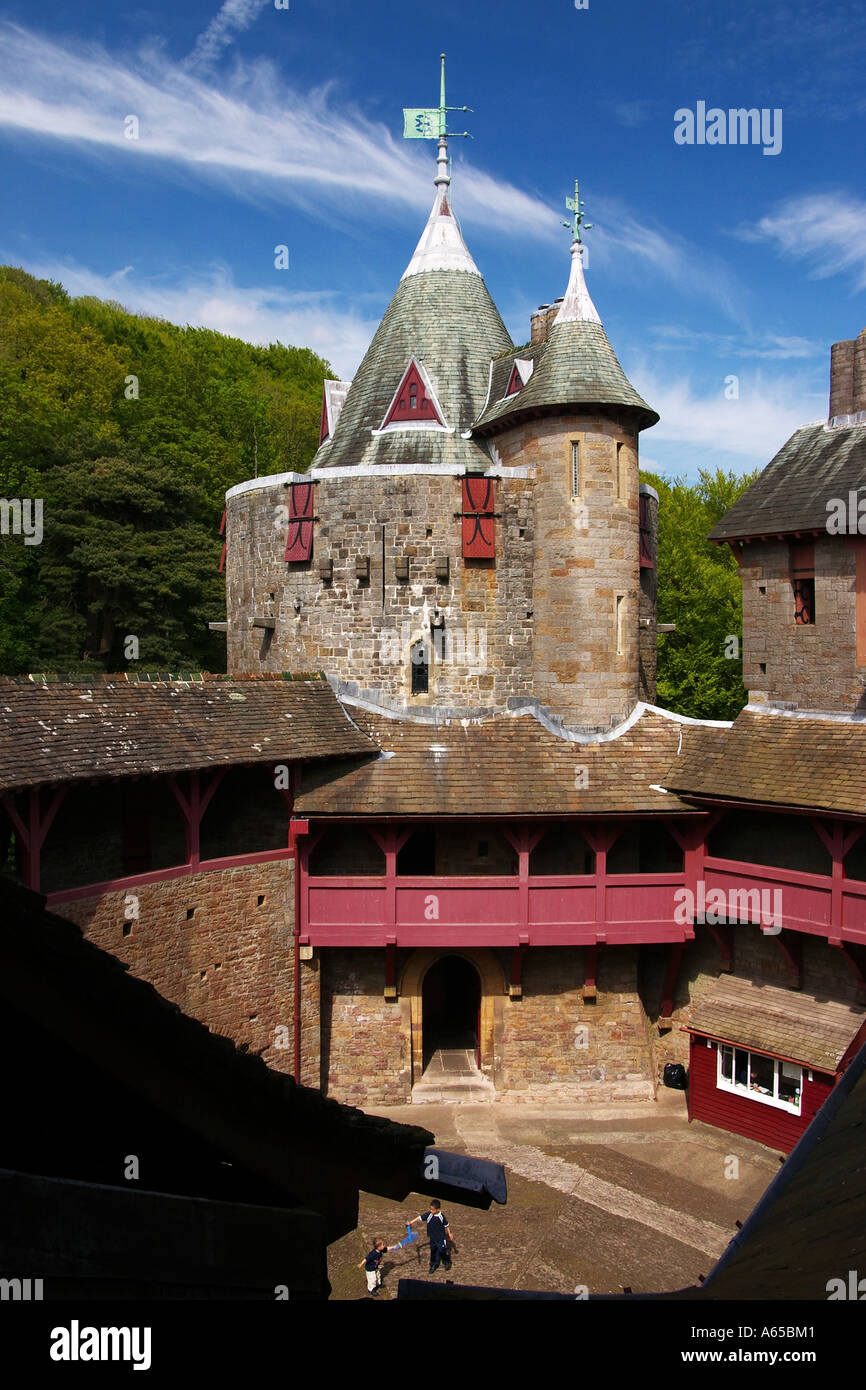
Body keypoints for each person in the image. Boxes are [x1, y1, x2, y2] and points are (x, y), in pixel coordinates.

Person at [408, 1200, 455, 1274]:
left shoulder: (441, 1217)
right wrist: (411, 1222)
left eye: (433, 1210)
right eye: (430, 1209)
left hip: (440, 1238)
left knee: (442, 1251)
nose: (431, 1211)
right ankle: (433, 1265)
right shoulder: (429, 1215)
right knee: (433, 1251)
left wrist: (449, 1234)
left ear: (438, 1209)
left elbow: (446, 1225)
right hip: (432, 1238)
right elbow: (419, 1218)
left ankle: (447, 1262)